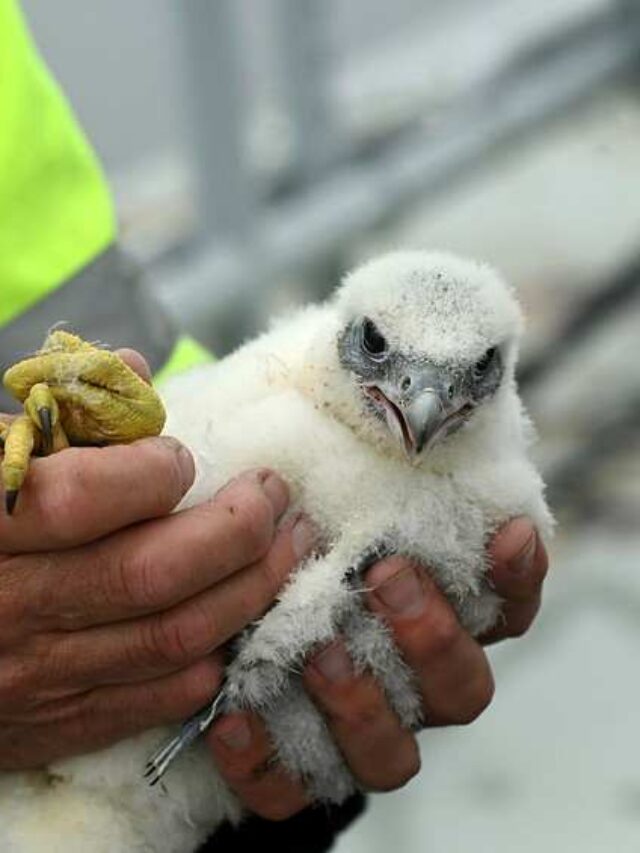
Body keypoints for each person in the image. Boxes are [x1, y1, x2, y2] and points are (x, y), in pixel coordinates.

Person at [0, 2, 549, 849]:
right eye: (380, 351)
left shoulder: (480, 489)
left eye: (472, 375)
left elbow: (162, 391)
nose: (427, 403)